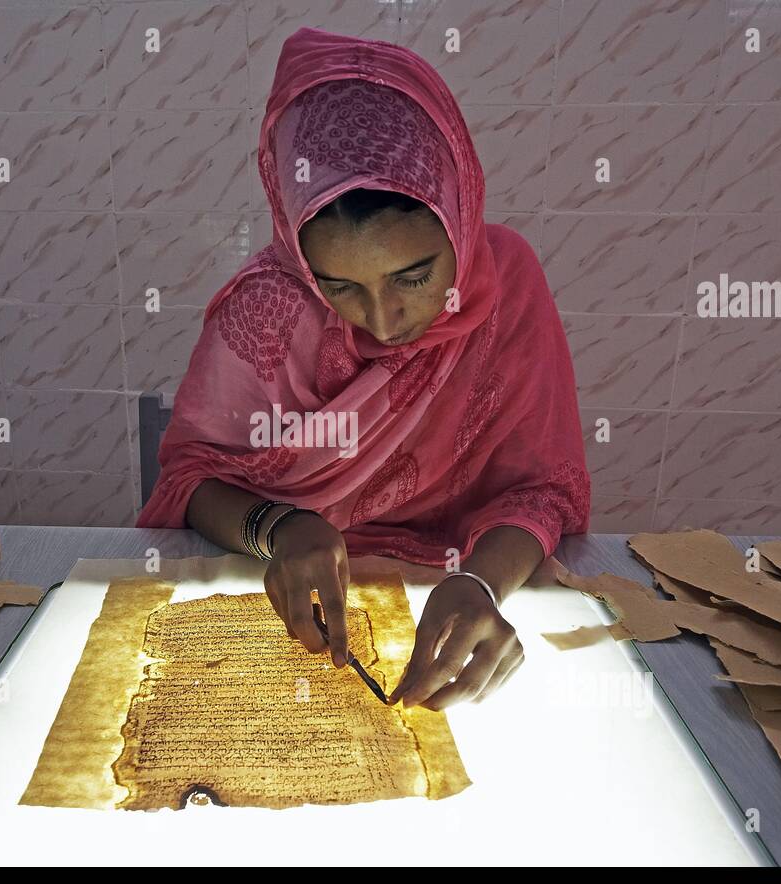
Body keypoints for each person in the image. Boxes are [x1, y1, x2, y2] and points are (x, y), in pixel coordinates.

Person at [136, 27, 590, 710]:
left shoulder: (508, 285)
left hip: (451, 597)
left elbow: (539, 491)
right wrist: (279, 526)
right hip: (283, 600)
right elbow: (191, 480)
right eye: (339, 286)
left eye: (414, 277)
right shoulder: (270, 307)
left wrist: (482, 586)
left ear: (460, 219)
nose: (382, 322)